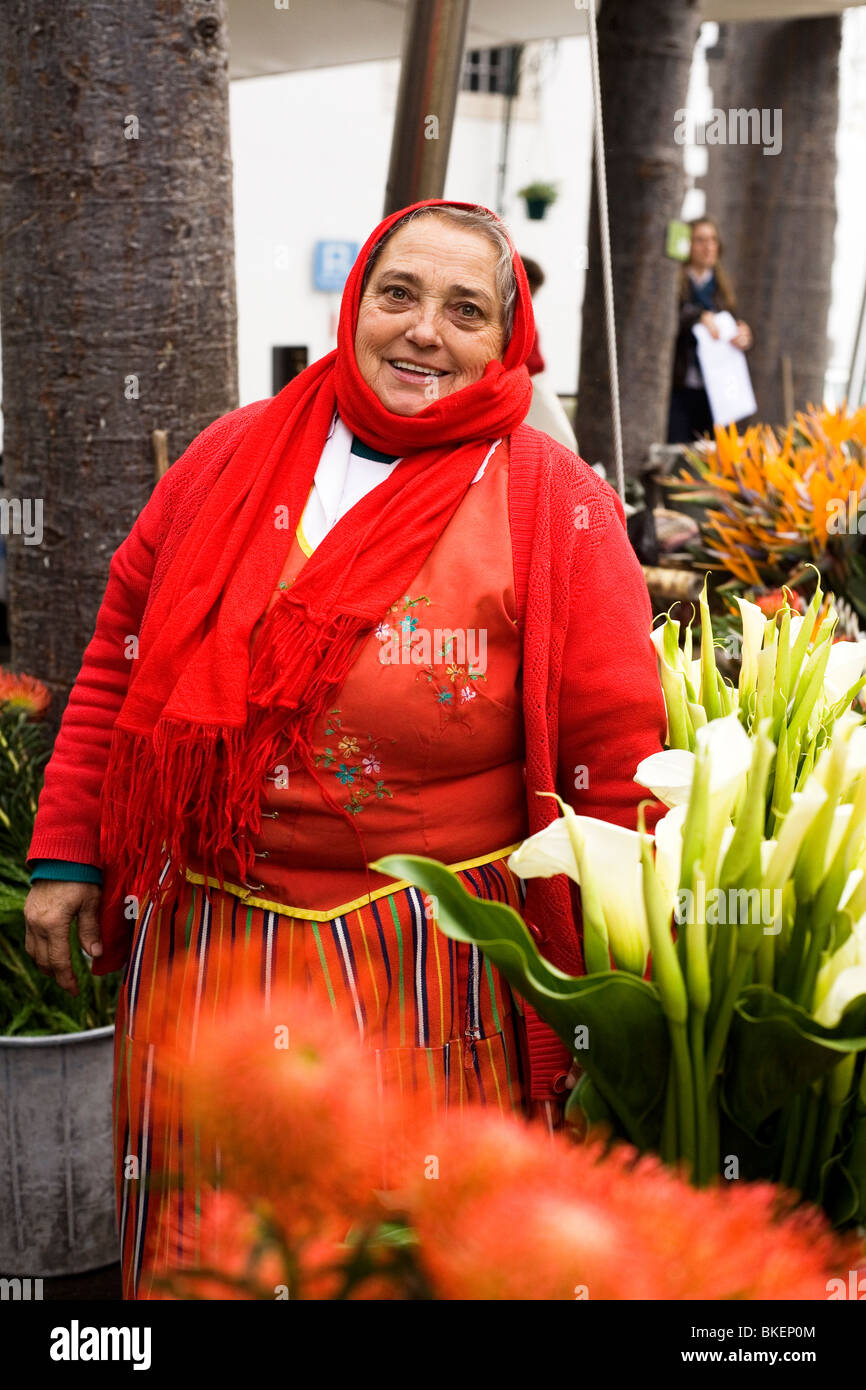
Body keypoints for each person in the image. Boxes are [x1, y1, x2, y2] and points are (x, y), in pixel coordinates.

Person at [23, 198, 666, 1299]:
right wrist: (69, 852)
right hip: (207, 948)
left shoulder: (548, 496)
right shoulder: (235, 453)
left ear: (505, 338)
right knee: (208, 1239)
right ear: (355, 304)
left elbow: (614, 754)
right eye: (398, 294)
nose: (424, 330)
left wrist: (617, 990)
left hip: (424, 964)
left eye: (465, 310)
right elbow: (119, 658)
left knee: (388, 1254)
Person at [667, 217, 753, 444]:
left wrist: (742, 336)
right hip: (680, 387)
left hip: (715, 392)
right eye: (701, 240)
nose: (709, 247)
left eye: (713, 240)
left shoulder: (723, 290)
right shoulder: (675, 284)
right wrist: (697, 317)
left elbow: (731, 329)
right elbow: (669, 320)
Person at [520, 254, 579, 452]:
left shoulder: (524, 315)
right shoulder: (510, 316)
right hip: (525, 382)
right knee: (559, 440)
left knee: (559, 442)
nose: (532, 297)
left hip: (532, 382)